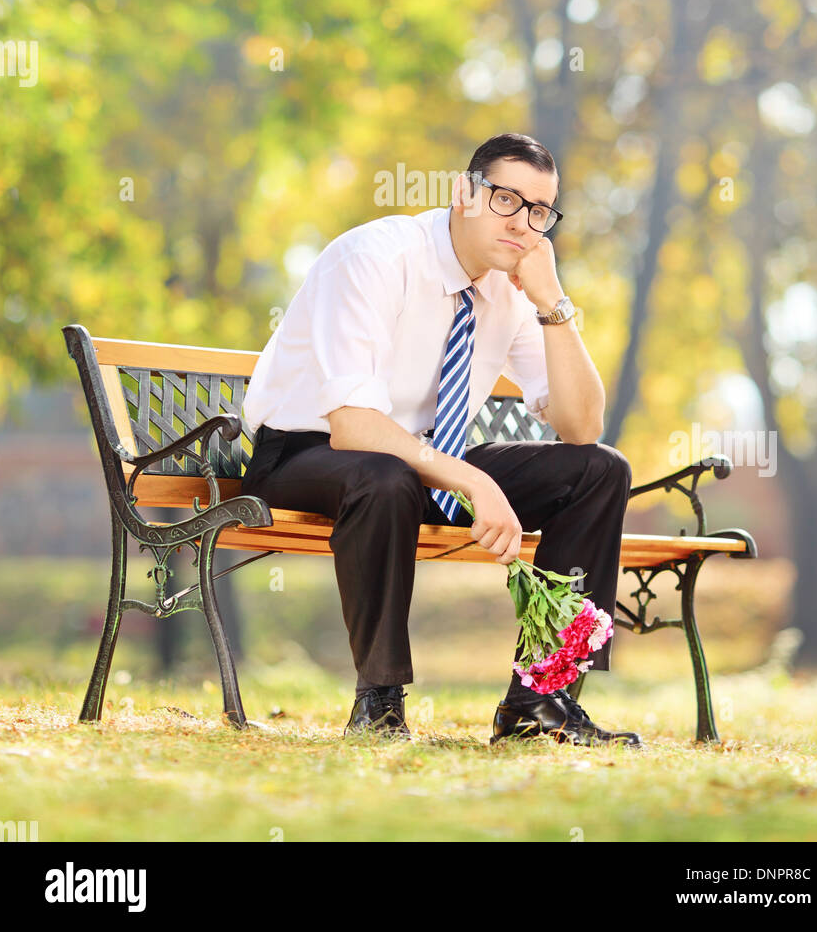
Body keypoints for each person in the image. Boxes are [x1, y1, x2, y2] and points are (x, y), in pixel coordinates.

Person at [241, 132, 641, 748]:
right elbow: (352, 426)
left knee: (599, 469)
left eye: (540, 211)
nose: (524, 224)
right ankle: (379, 703)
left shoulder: (511, 290)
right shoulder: (374, 256)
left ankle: (542, 699)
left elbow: (581, 427)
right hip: (304, 452)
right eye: (507, 200)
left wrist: (553, 303)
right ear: (464, 193)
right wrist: (472, 478)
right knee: (383, 474)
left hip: (421, 463)